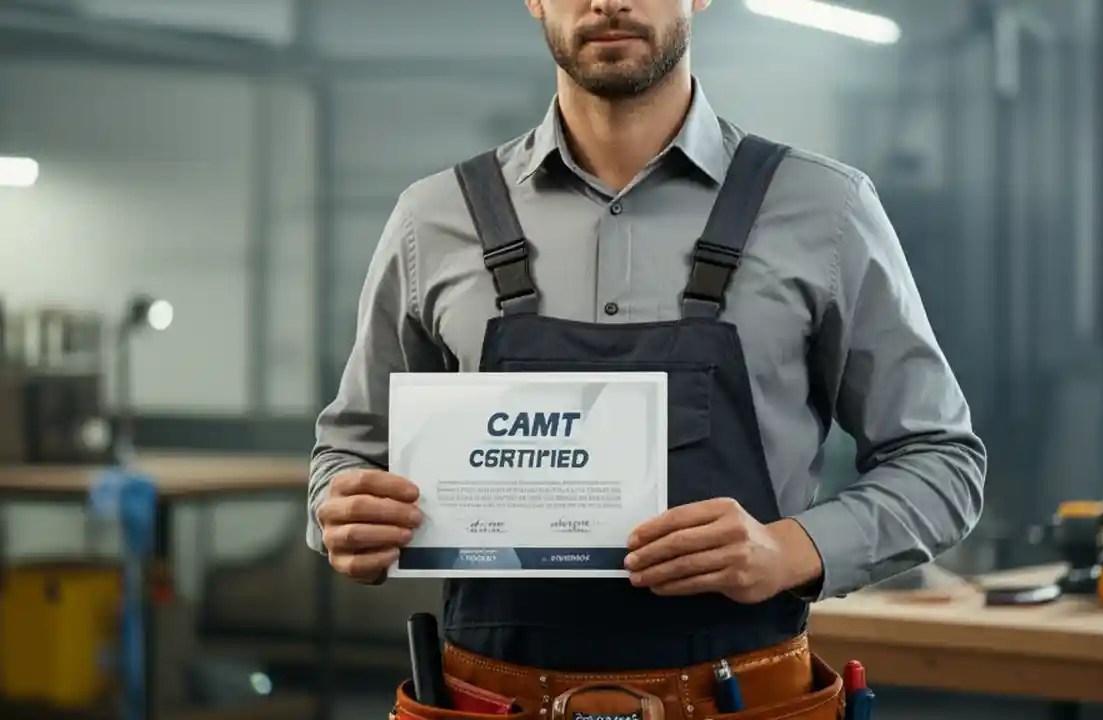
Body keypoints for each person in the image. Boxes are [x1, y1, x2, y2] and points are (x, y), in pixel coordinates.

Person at [307, 1, 986, 717]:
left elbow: (942, 461)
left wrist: (791, 550)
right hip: (493, 703)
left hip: (741, 700)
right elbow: (346, 455)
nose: (608, 1)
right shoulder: (432, 220)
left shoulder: (827, 210)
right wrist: (341, 513)